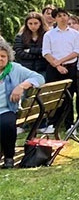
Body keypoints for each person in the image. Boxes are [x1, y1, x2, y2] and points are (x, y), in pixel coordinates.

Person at [0, 39, 46, 168]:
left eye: (3, 56)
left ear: (8, 57)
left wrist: (22, 86)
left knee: (6, 124)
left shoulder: (15, 69)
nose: (0, 59)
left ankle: (9, 157)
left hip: (6, 109)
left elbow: (39, 78)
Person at [42, 7, 79, 132]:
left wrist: (61, 61)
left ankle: (69, 124)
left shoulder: (75, 34)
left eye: (64, 15)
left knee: (69, 96)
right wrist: (57, 65)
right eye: (59, 16)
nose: (62, 18)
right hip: (54, 69)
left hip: (70, 68)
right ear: (55, 19)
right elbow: (46, 52)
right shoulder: (49, 34)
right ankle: (52, 123)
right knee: (54, 96)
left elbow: (77, 51)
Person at [13, 14, 50, 79]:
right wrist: (38, 56)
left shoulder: (47, 36)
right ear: (26, 24)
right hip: (26, 69)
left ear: (40, 23)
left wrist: (30, 50)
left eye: (36, 23)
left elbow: (47, 51)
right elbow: (19, 53)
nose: (33, 26)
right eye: (30, 23)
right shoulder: (20, 37)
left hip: (42, 69)